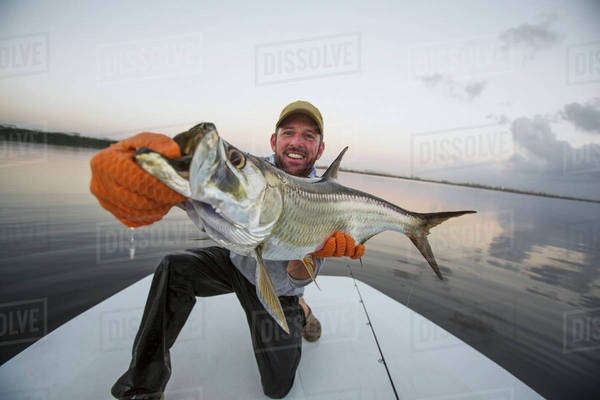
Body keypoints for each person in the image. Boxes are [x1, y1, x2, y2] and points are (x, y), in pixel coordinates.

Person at [95, 101, 364, 399]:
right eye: (289, 133)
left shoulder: (327, 199)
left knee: (278, 388)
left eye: (308, 136)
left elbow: (296, 278)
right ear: (274, 140)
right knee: (174, 267)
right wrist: (143, 178)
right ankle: (143, 386)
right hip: (238, 260)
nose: (297, 142)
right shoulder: (252, 170)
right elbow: (205, 190)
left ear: (320, 148)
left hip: (279, 289)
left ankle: (301, 311)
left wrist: (313, 253)